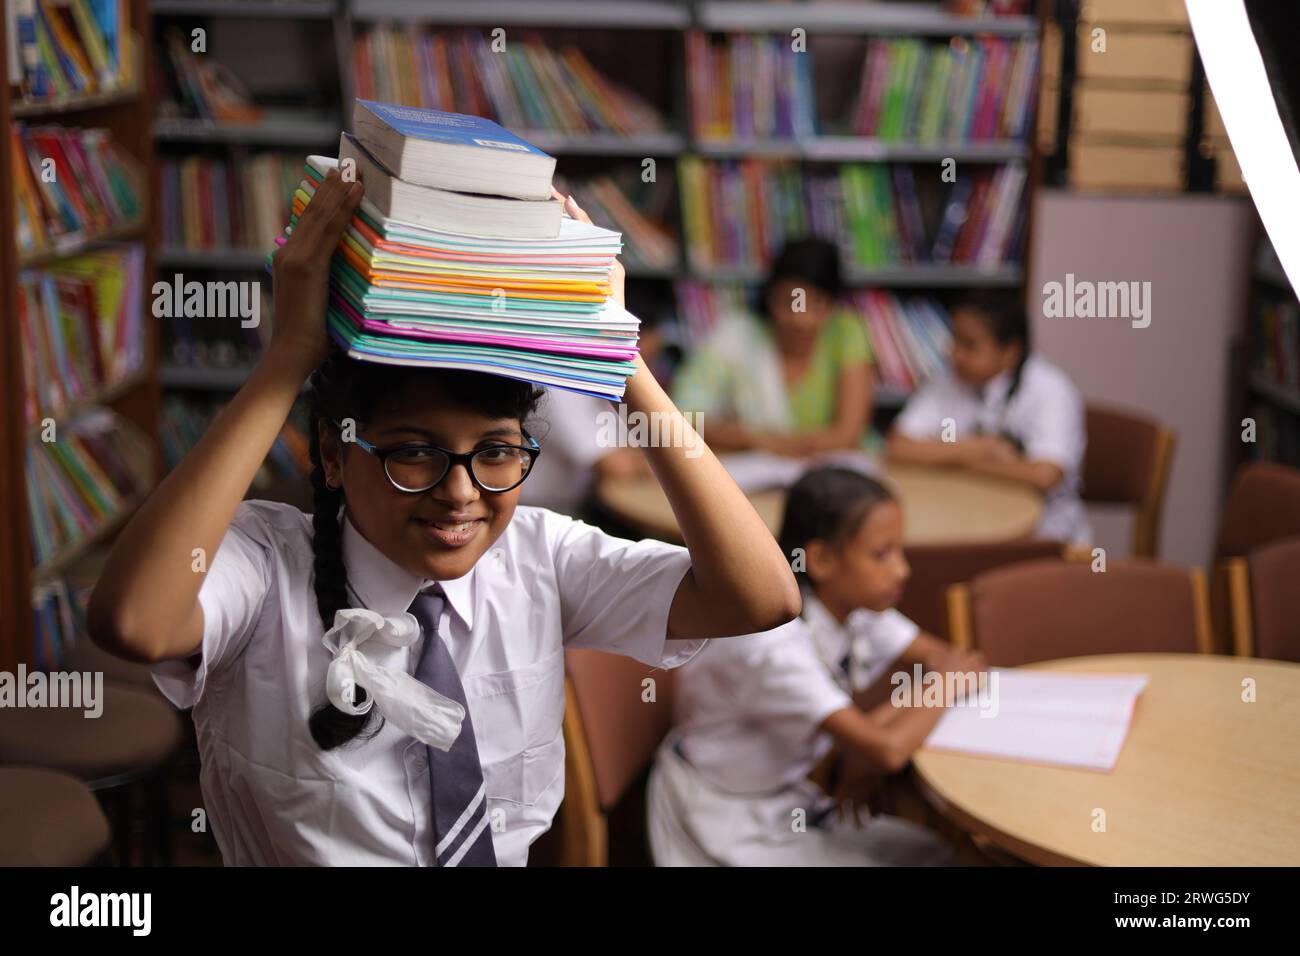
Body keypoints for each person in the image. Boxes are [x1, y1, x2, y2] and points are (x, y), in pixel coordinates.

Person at [86, 169, 801, 866]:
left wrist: (623, 362)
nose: (461, 494)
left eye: (495, 452)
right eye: (415, 455)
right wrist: (288, 358)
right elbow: (135, 622)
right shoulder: (267, 567)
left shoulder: (541, 555)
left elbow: (761, 597)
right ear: (335, 456)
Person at [647, 467, 987, 866]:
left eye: (900, 550)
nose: (902, 570)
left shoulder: (853, 608)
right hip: (726, 815)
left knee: (942, 855)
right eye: (882, 554)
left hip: (790, 800)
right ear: (823, 560)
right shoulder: (772, 646)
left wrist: (864, 748)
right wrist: (926, 700)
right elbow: (891, 748)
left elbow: (958, 662)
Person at [887, 291, 1091, 544]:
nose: (955, 354)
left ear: (1010, 352)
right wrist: (981, 449)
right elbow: (899, 446)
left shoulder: (1050, 391)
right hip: (968, 518)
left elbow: (1044, 475)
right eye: (954, 340)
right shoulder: (953, 381)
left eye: (970, 345)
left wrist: (951, 459)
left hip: (1043, 532)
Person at [672, 238, 874, 457]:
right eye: (789, 303)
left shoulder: (846, 332)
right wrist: (756, 440)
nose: (800, 319)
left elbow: (847, 434)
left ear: (833, 303)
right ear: (770, 297)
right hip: (754, 472)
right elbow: (681, 419)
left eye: (814, 304)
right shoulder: (737, 337)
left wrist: (787, 445)